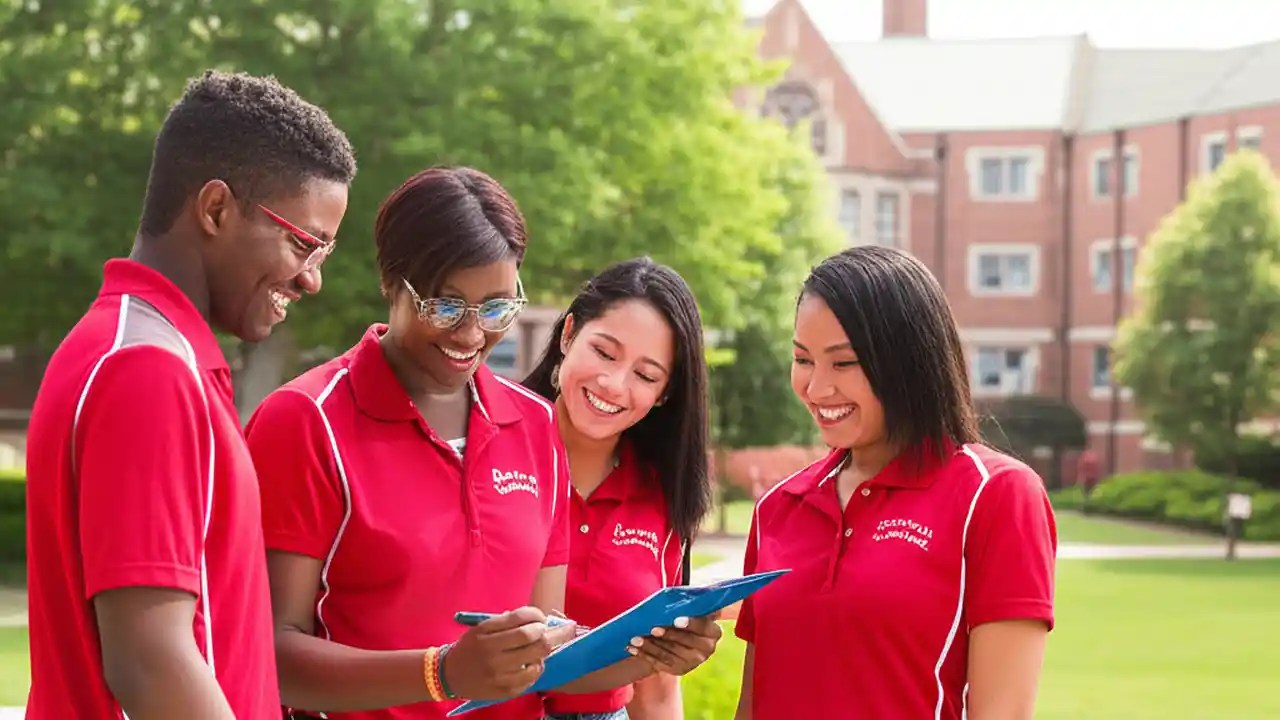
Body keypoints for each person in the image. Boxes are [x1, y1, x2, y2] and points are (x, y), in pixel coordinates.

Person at [245, 167, 720, 720]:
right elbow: (269, 652)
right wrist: (441, 673)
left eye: (496, 308)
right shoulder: (307, 419)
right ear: (391, 282)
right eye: (444, 306)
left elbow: (546, 652)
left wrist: (651, 652)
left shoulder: (536, 427)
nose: (471, 334)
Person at [23, 70, 356, 719]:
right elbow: (151, 663)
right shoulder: (146, 369)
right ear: (215, 209)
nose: (312, 280)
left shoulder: (137, 351)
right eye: (303, 243)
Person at [734, 246, 1057, 720]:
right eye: (803, 359)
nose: (817, 388)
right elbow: (754, 704)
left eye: (843, 363)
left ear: (908, 362)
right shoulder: (779, 507)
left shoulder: (996, 496)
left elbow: (1002, 712)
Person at [522, 258, 718, 720]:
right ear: (568, 334)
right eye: (605, 353)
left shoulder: (665, 496)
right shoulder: (494, 449)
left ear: (666, 393)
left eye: (646, 376)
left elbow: (656, 689)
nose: (613, 384)